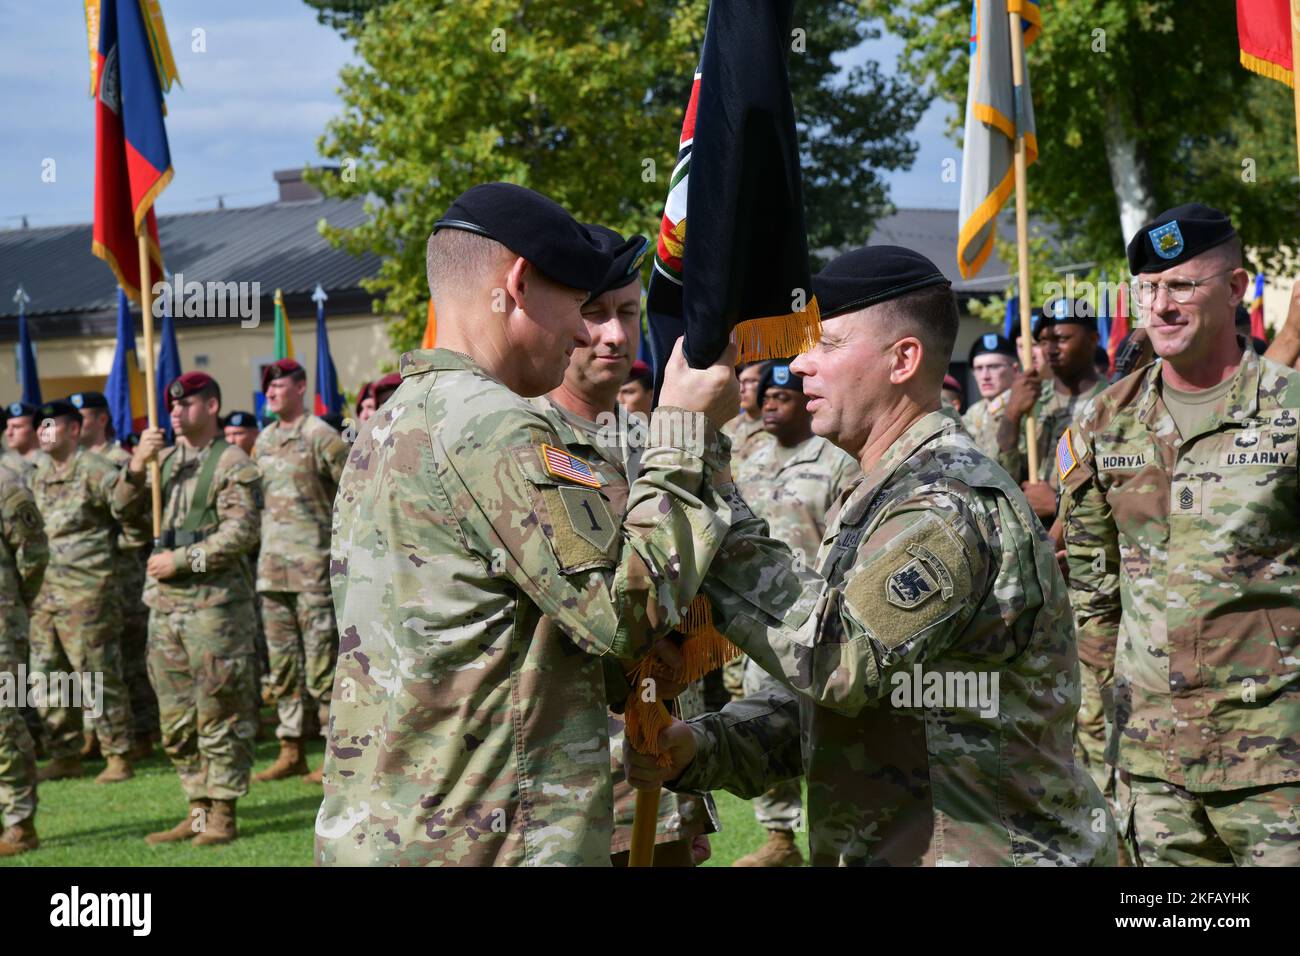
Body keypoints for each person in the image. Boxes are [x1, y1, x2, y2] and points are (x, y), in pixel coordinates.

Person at [626, 245, 1115, 867]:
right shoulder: (881, 489)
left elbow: (840, 661)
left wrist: (702, 467)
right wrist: (699, 747)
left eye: (825, 345)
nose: (800, 365)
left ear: (903, 360)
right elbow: (845, 712)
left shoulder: (946, 501)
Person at [316, 182, 739, 866]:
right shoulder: (497, 425)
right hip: (492, 837)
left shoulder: (391, 420)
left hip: (399, 825)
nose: (582, 333)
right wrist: (686, 436)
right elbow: (619, 617)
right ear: (515, 285)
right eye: (576, 303)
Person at [1061, 203, 1300, 866]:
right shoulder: (1101, 421)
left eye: (1182, 286)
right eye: (1148, 289)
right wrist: (1092, 733)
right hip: (1150, 763)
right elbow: (1093, 590)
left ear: (1235, 289)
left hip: (1278, 764)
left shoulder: (1290, 409)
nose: (1161, 306)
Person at [536, 223, 718, 867]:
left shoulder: (657, 440)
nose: (615, 335)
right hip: (576, 777)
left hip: (667, 749)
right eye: (594, 315)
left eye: (629, 313)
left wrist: (693, 795)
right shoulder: (527, 443)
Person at [114, 372, 262, 846]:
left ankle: (222, 813)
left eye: (187, 405)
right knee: (176, 717)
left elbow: (241, 533)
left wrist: (181, 560)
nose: (175, 413)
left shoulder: (234, 464)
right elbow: (122, 511)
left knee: (220, 710)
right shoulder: (165, 463)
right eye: (172, 407)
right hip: (166, 610)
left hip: (214, 609)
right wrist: (138, 466)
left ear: (213, 406)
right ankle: (196, 812)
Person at [729, 360, 859, 867]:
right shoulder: (752, 456)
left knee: (828, 727)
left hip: (820, 614)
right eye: (765, 397)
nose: (771, 404)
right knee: (763, 718)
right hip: (760, 615)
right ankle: (780, 837)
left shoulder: (835, 460)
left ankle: (837, 837)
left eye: (783, 396)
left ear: (805, 402)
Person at [252, 359, 348, 784]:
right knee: (283, 666)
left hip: (313, 570)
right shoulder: (264, 441)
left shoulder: (321, 437)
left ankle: (334, 754)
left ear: (301, 387)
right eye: (267, 387)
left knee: (323, 663)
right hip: (272, 572)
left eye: (278, 386)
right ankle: (290, 748)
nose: (271, 393)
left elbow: (354, 494)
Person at [28, 400, 135, 784]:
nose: (44, 432)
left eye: (52, 425)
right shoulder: (36, 474)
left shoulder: (94, 468)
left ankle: (118, 752)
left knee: (96, 674)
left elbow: (128, 511)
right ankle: (65, 752)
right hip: (44, 595)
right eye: (40, 426)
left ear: (74, 430)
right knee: (47, 677)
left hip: (87, 592)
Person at [71, 390, 158, 760]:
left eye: (84, 417)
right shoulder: (75, 465)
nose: (77, 426)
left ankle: (142, 733)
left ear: (102, 419)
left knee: (130, 657)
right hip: (90, 579)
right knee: (96, 661)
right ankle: (97, 731)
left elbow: (137, 518)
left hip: (123, 572)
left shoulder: (123, 461)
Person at [999, 298, 1107, 524]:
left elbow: (1122, 489)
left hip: (1088, 544)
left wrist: (1058, 503)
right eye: (1044, 341)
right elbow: (1005, 476)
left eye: (1062, 339)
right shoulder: (1034, 398)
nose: (1050, 349)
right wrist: (1011, 416)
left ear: (1093, 340)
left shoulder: (1115, 400)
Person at [0, 461, 47, 856]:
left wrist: (15, 604)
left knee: (3, 724)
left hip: (1, 624)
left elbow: (33, 554)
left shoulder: (6, 485)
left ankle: (20, 824)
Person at [962, 333, 1020, 459]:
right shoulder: (973, 412)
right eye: (978, 368)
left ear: (1015, 370)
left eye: (993, 367)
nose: (985, 376)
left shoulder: (1024, 408)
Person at [3, 402, 42, 483]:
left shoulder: (52, 461)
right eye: (7, 427)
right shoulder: (4, 462)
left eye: (17, 427)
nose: (9, 433)